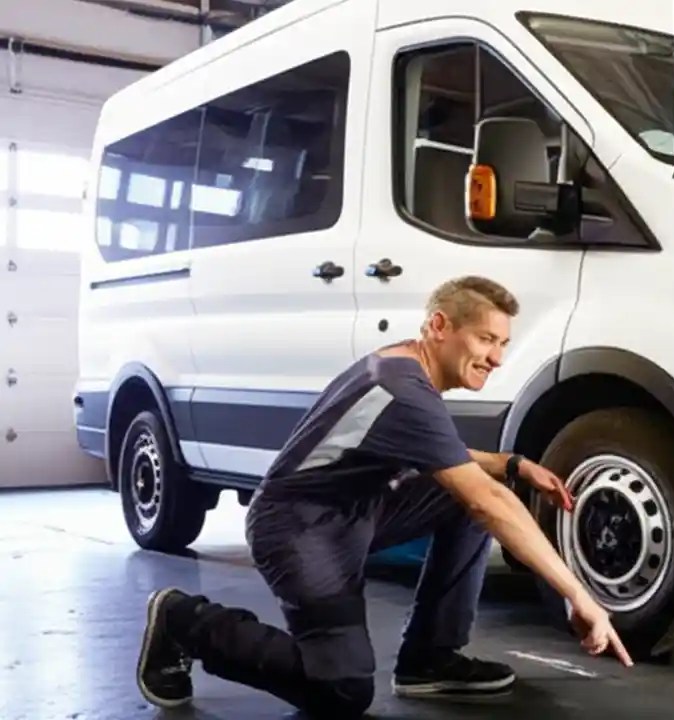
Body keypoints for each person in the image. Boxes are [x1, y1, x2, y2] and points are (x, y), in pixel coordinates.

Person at [134, 275, 632, 718]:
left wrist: (512, 465)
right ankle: (184, 620)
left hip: (355, 513)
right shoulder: (402, 388)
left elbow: (443, 452)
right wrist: (580, 596)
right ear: (440, 325)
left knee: (478, 491)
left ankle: (429, 659)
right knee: (342, 691)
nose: (497, 358)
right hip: (299, 530)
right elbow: (488, 504)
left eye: (502, 343)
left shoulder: (403, 364)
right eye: (485, 339)